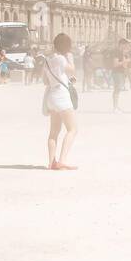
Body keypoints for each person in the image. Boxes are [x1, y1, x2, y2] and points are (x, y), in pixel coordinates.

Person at [41, 32, 78, 170]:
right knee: (72, 129)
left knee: (53, 132)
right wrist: (70, 58)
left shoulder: (46, 60)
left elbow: (45, 81)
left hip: (51, 96)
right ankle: (62, 161)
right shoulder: (62, 59)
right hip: (61, 96)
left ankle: (51, 162)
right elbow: (72, 70)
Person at [111, 39, 129, 112]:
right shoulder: (117, 52)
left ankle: (116, 106)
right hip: (117, 73)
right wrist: (125, 61)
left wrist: (125, 58)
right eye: (125, 45)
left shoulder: (121, 53)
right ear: (121, 44)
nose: (126, 47)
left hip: (120, 73)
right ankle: (115, 107)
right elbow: (115, 64)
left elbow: (124, 65)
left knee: (118, 90)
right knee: (117, 89)